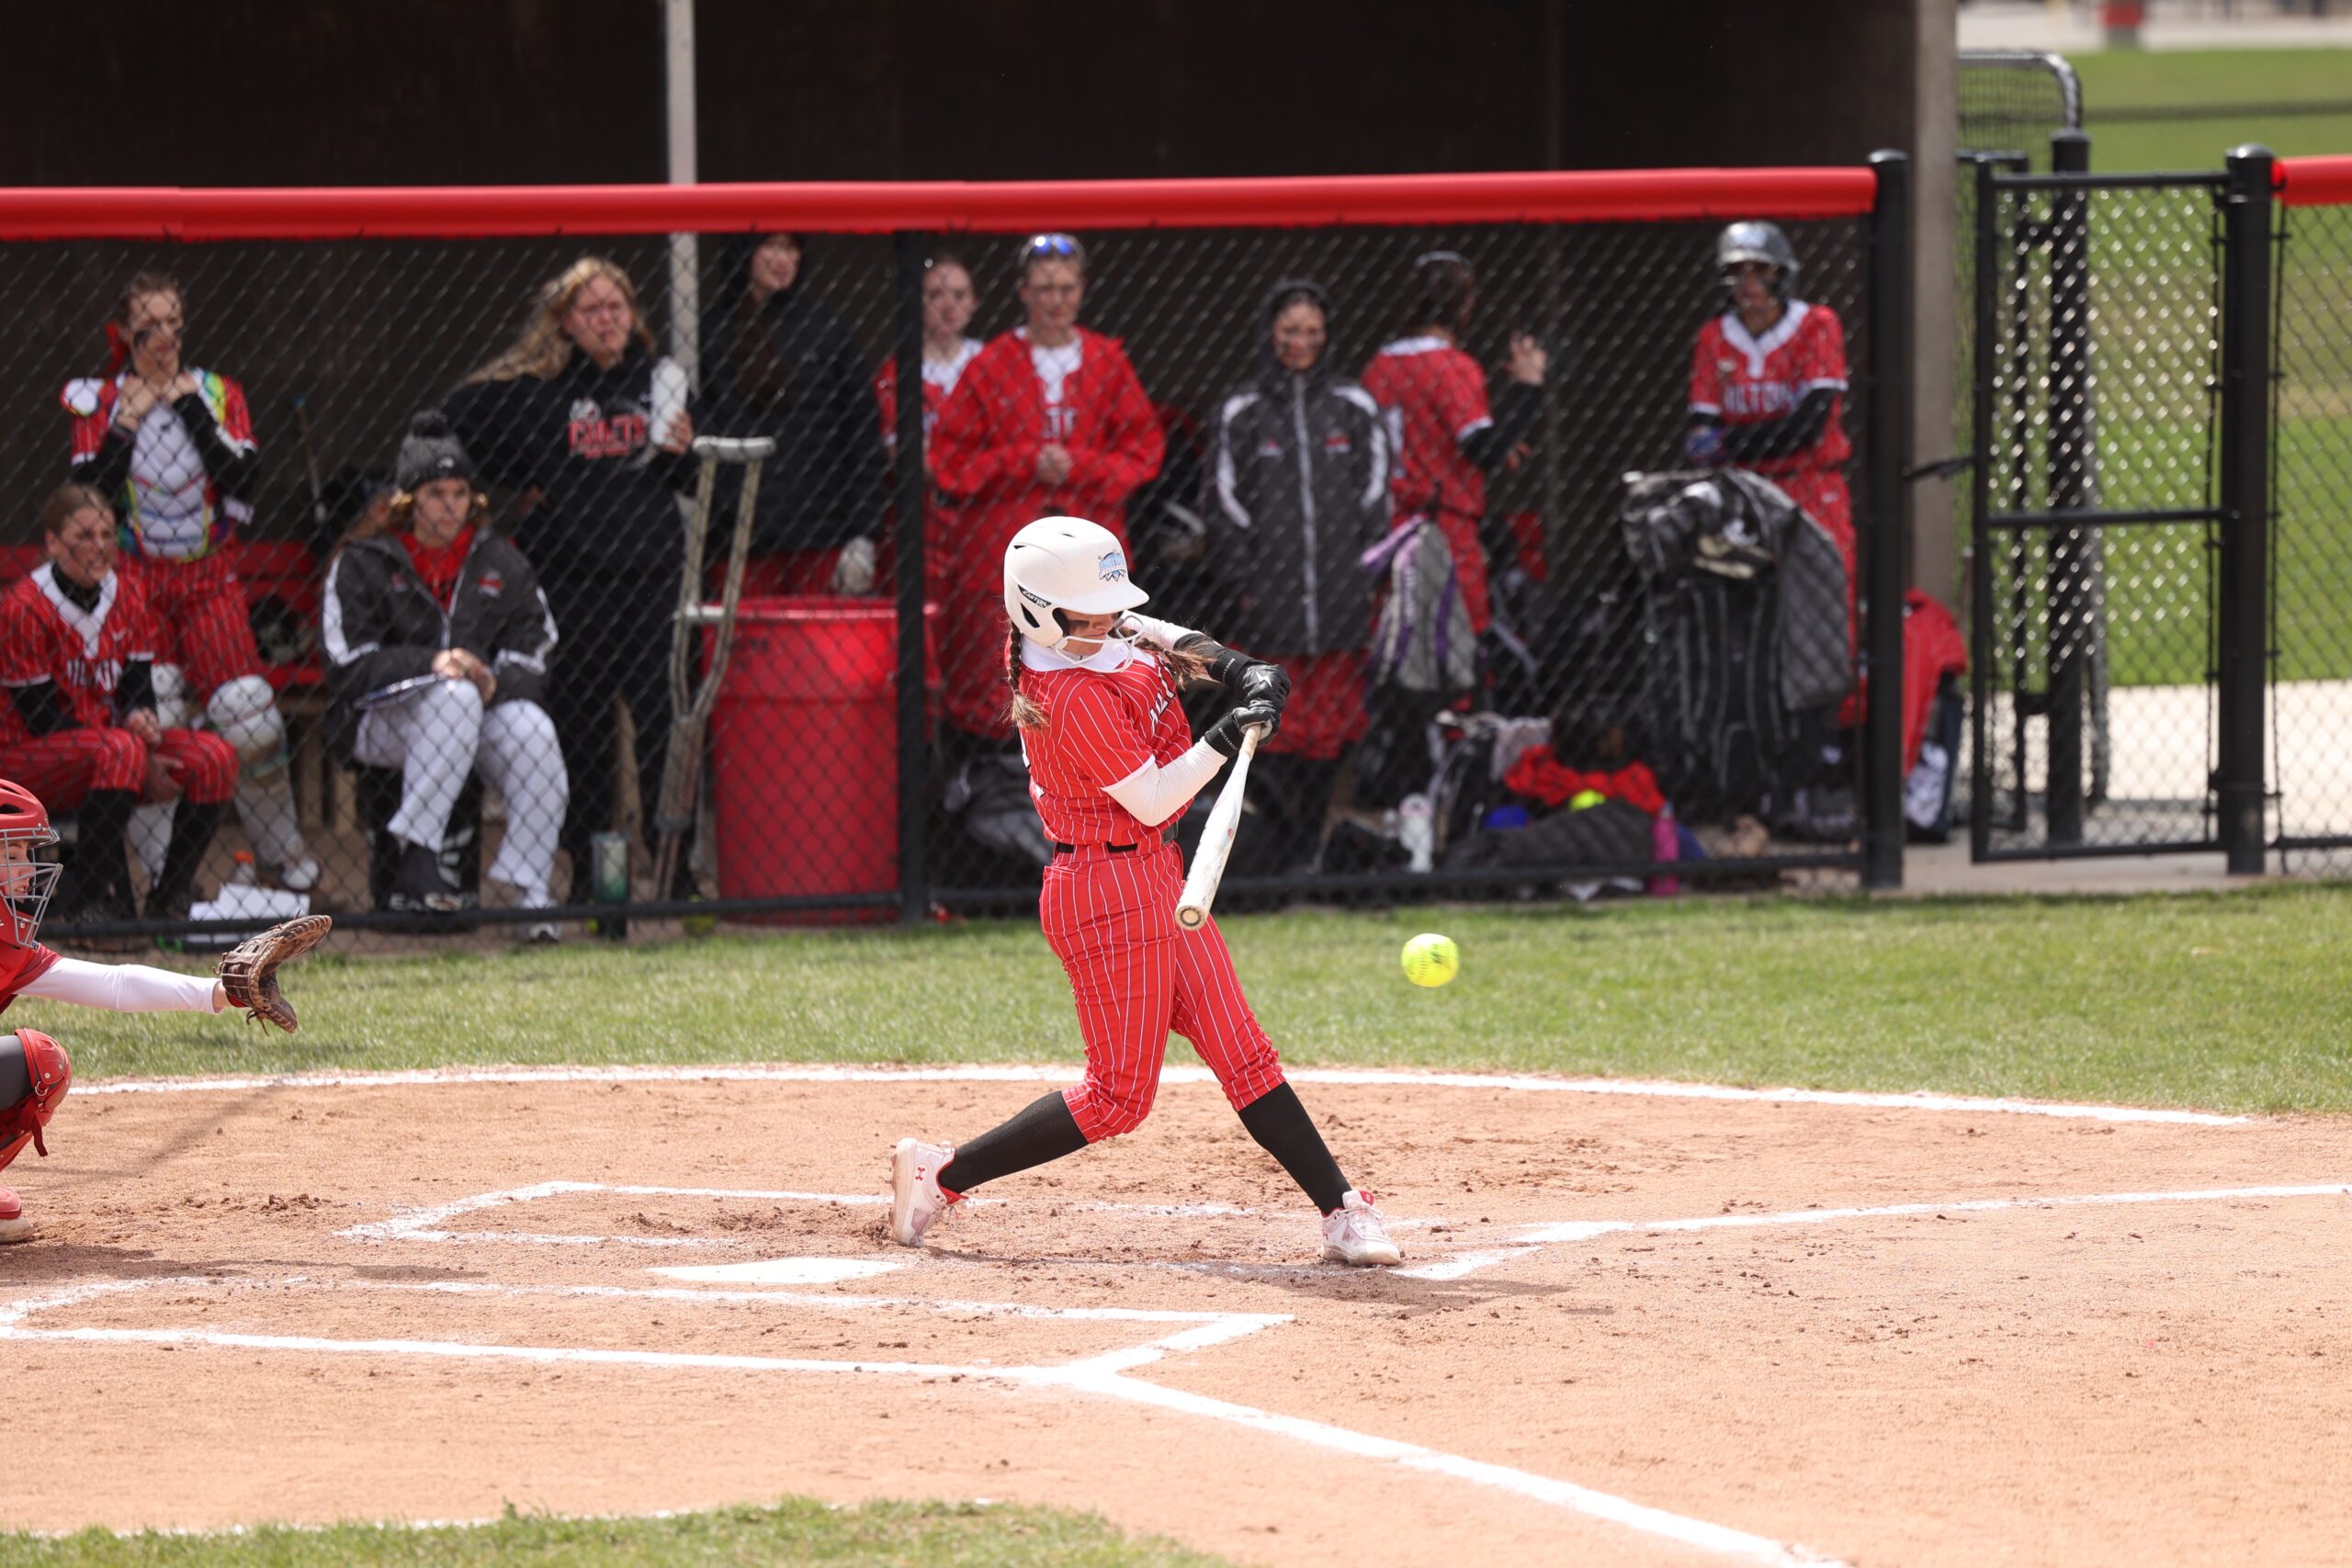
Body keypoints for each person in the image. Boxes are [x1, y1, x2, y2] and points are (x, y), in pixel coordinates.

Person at [887, 516, 1400, 1268]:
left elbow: (1152, 631)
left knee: (1245, 1054)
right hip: (1103, 890)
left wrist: (1235, 668)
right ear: (1041, 611)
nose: (1109, 623)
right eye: (1091, 615)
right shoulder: (1068, 691)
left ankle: (1342, 1210)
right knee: (1117, 1098)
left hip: (1156, 875)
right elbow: (1156, 799)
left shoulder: (1085, 627)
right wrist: (1228, 733)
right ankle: (942, 1175)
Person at [441, 256, 698, 919]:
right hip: (574, 581)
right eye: (592, 310)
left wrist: (686, 453)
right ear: (565, 322)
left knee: (662, 725)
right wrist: (519, 478)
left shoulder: (660, 380)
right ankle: (589, 872)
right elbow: (456, 413)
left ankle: (673, 873)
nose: (608, 320)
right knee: (581, 731)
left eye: (617, 307)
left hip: (651, 578)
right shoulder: (541, 387)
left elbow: (694, 484)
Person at [62, 272, 319, 893]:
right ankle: (166, 875)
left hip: (208, 576)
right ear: (125, 334)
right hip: (136, 578)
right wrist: (129, 421)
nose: (164, 338)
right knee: (159, 711)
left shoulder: (217, 392)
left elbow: (241, 478)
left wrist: (184, 406)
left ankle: (282, 859)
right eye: (148, 327)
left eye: (174, 323)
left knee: (248, 714)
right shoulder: (98, 400)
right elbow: (92, 495)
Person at [0, 777, 328, 1244]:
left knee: (41, 1064)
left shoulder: (13, 947)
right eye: (11, 857)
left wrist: (222, 992)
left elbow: (118, 985)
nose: (28, 870)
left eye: (26, 855)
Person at [322, 414, 567, 936]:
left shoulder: (499, 558)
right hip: (382, 719)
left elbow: (538, 641)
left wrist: (493, 680)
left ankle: (531, 897)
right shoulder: (361, 561)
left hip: (471, 711)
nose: (451, 504)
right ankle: (418, 852)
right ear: (407, 501)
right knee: (452, 694)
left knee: (535, 734)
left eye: (460, 492)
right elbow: (347, 664)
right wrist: (431, 666)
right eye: (436, 492)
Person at [931, 234, 1165, 747]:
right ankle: (990, 787)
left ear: (1081, 291)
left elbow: (1144, 452)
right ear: (1022, 292)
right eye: (1043, 289)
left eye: (1065, 288)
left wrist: (1078, 466)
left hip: (1087, 559)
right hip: (1004, 551)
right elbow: (949, 461)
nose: (1055, 300)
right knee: (996, 673)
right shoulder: (991, 364)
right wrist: (1023, 462)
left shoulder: (1107, 361)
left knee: (1092, 668)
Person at [1205, 278, 1392, 864]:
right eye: (1290, 330)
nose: (1301, 342)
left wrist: (1356, 577)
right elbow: (1224, 506)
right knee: (1269, 726)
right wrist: (1247, 583)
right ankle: (1288, 846)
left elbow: (1377, 499)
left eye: (1312, 331)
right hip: (1270, 608)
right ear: (1270, 333)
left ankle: (1310, 845)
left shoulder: (1354, 406)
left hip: (1339, 604)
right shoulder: (1241, 411)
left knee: (1331, 731)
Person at [0, 486, 238, 922]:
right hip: (25, 758)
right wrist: (131, 751)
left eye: (108, 534)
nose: (99, 546)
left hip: (114, 753)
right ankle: (79, 901)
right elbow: (40, 719)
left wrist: (142, 719)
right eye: (85, 535)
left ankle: (169, 898)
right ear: (52, 542)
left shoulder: (127, 593)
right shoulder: (24, 606)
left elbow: (137, 688)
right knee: (121, 752)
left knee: (214, 758)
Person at [1359, 251, 1547, 640]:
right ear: (1466, 305)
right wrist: (1528, 389)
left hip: (1390, 525)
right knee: (1455, 645)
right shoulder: (1452, 365)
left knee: (1395, 643)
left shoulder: (1379, 366)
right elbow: (1483, 448)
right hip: (1443, 526)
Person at [1684, 220, 1855, 639]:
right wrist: (1748, 442)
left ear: (1782, 274)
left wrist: (1731, 442)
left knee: (1822, 605)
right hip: (1743, 492)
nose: (1749, 284)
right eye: (1738, 271)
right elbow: (1698, 440)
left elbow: (1808, 428)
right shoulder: (1714, 337)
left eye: (1762, 271)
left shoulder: (1817, 324)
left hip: (1811, 486)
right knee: (1743, 610)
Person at [702, 233, 887, 594]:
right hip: (742, 536)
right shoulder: (715, 333)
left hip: (822, 532)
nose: (783, 258)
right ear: (745, 252)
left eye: (791, 248)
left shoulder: (827, 330)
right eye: (771, 246)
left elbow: (862, 432)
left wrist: (864, 534)